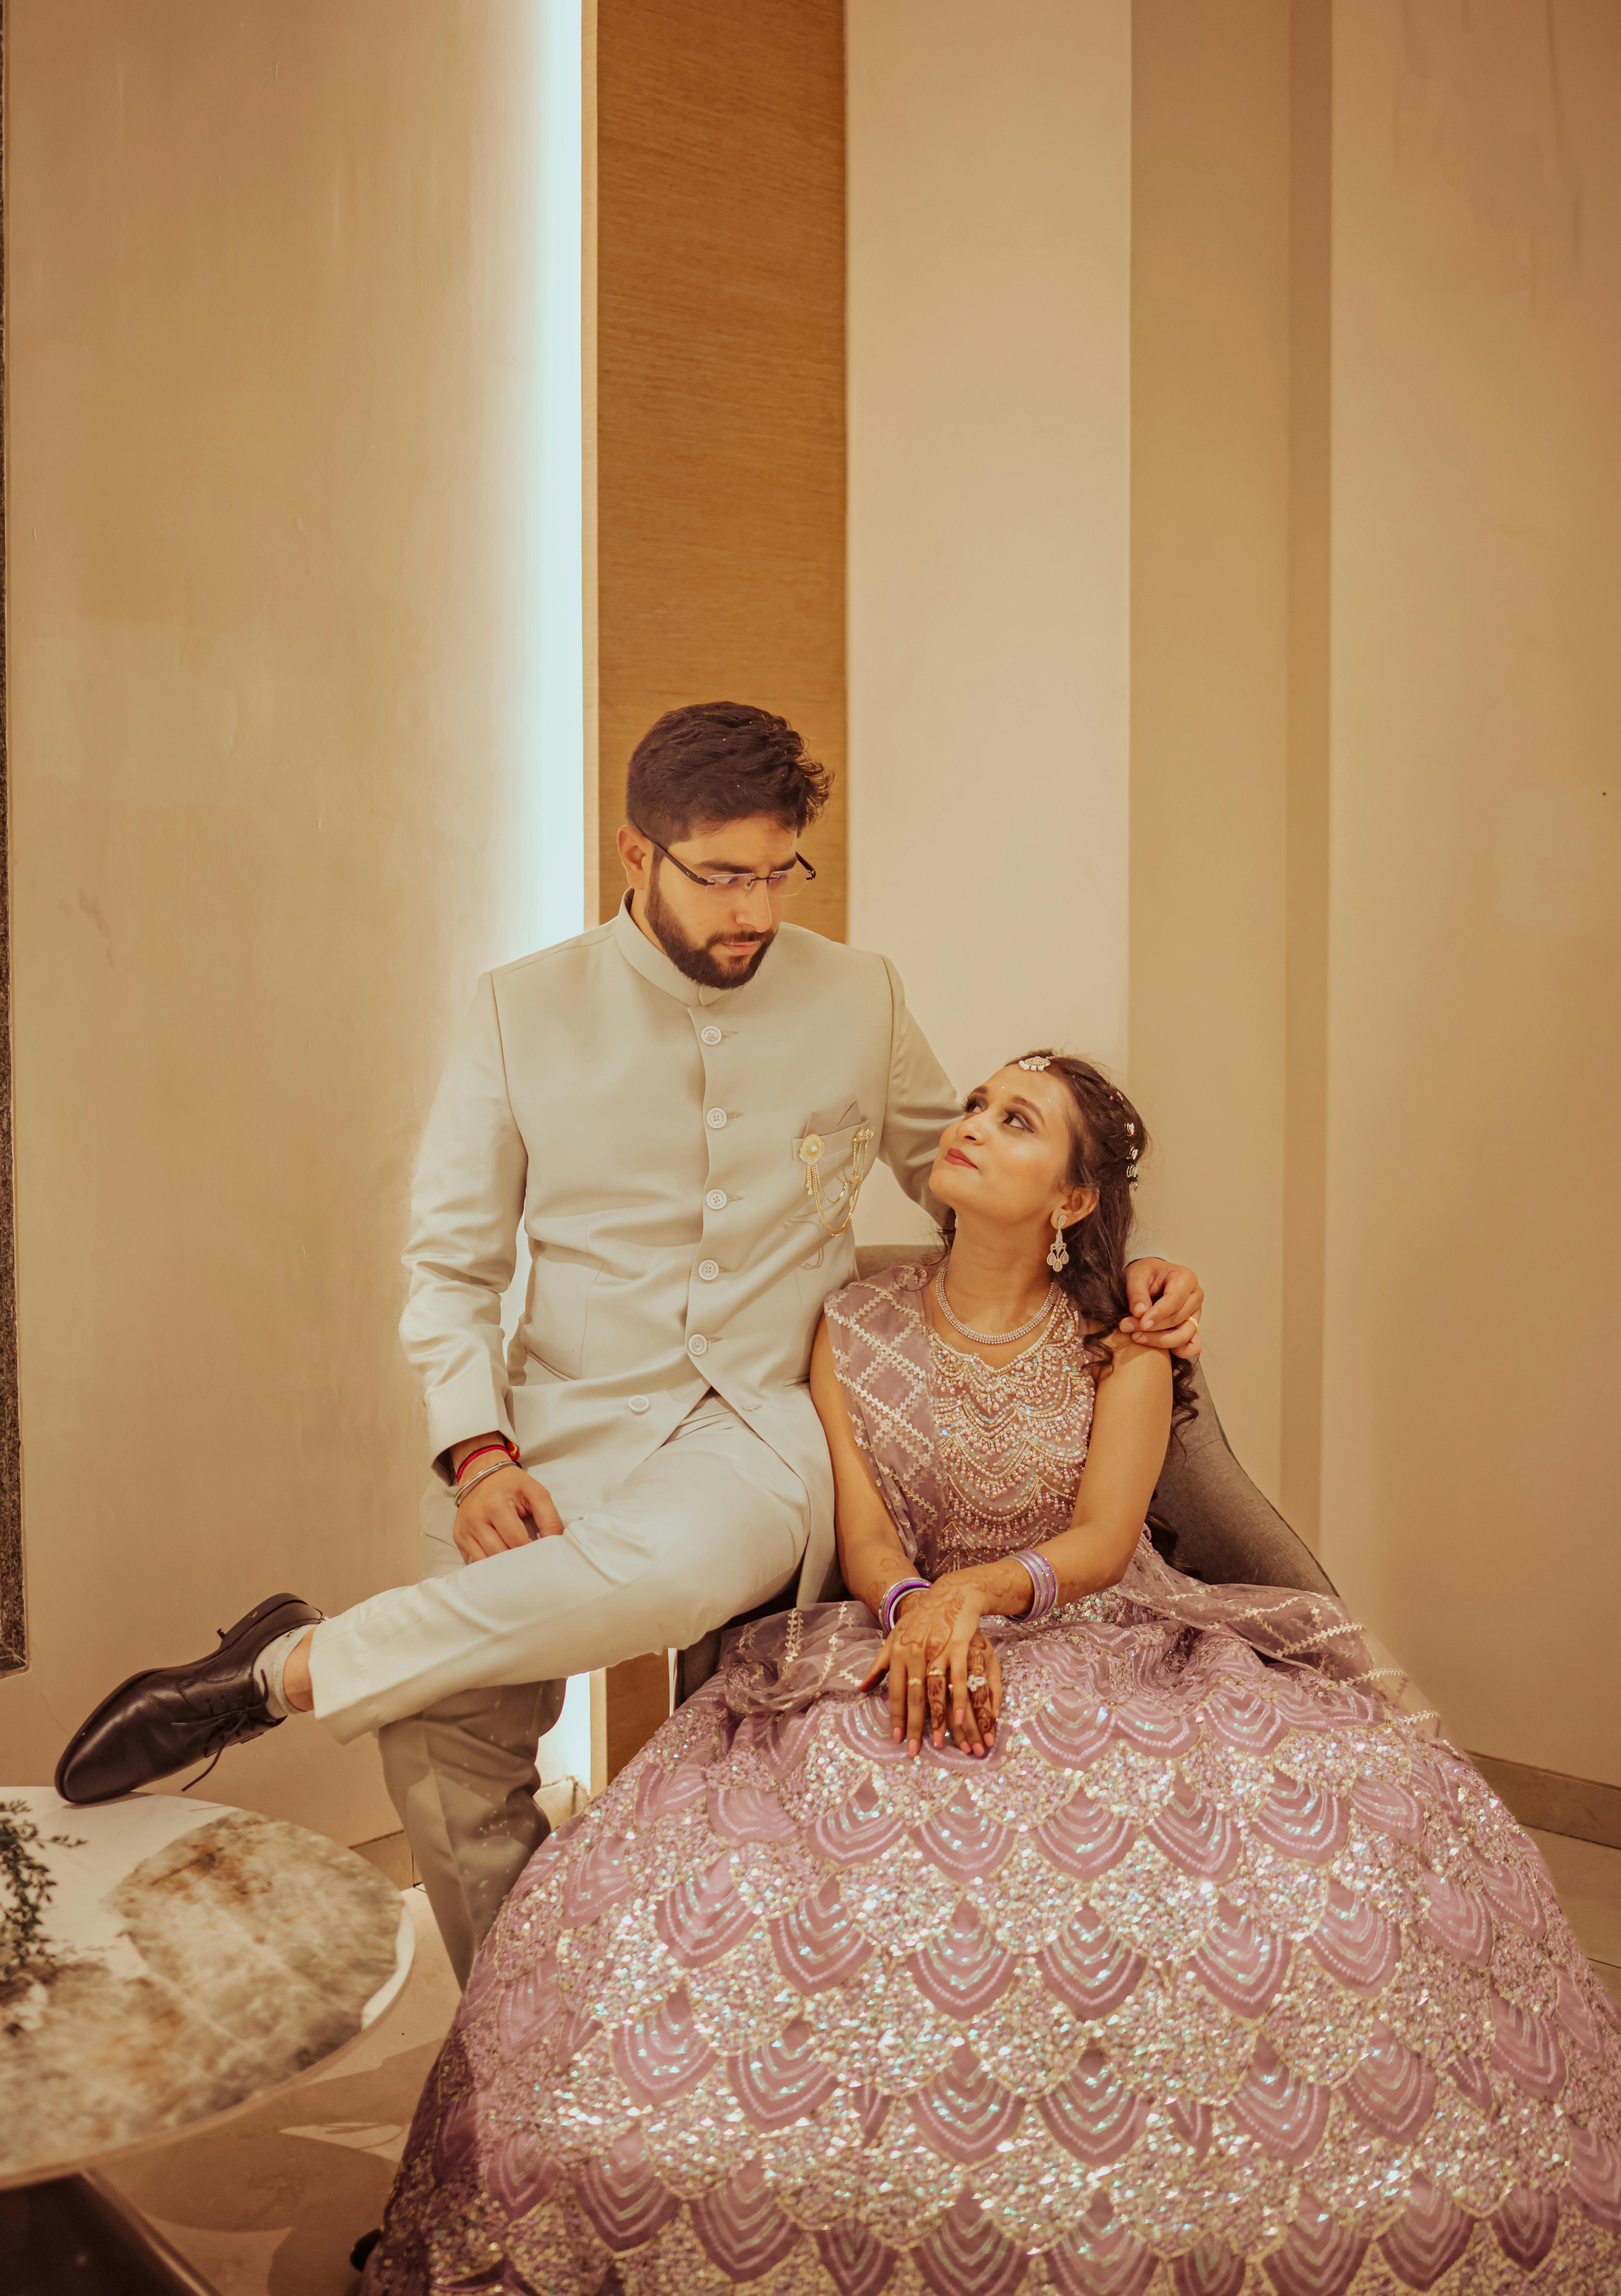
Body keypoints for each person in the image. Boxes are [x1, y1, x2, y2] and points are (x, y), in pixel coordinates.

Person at [358, 1053, 1621, 2296]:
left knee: (1301, 1843)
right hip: (896, 1628)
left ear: (1072, 1199)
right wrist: (918, 1606)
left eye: (1018, 1121)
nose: (971, 1124)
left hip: (1101, 1633)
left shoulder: (1121, 1342)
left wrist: (981, 1594)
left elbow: (1107, 1540)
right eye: (976, 1105)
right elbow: (866, 1536)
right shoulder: (850, 1325)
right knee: (763, 1858)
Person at [53, 703, 1204, 1985]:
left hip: (760, 1424)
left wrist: (1131, 1262)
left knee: (679, 1565)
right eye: (720, 877)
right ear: (635, 854)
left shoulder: (859, 994)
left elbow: (986, 1171)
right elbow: (452, 1267)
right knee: (437, 1737)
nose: (754, 911)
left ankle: (280, 1669)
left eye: (778, 873)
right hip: (556, 1423)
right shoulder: (519, 1011)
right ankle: (525, 2044)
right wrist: (480, 1455)